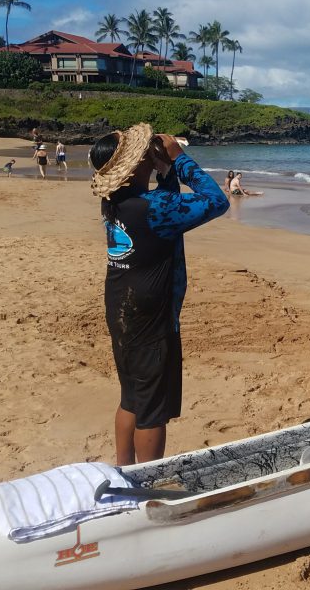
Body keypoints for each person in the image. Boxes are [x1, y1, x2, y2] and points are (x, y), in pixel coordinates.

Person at [89, 123, 228, 465]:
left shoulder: (117, 201)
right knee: (152, 409)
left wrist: (164, 172)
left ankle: (125, 469)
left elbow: (165, 204)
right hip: (150, 317)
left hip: (121, 305)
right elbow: (216, 200)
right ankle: (147, 479)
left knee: (132, 397)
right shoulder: (156, 208)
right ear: (134, 167)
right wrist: (179, 159)